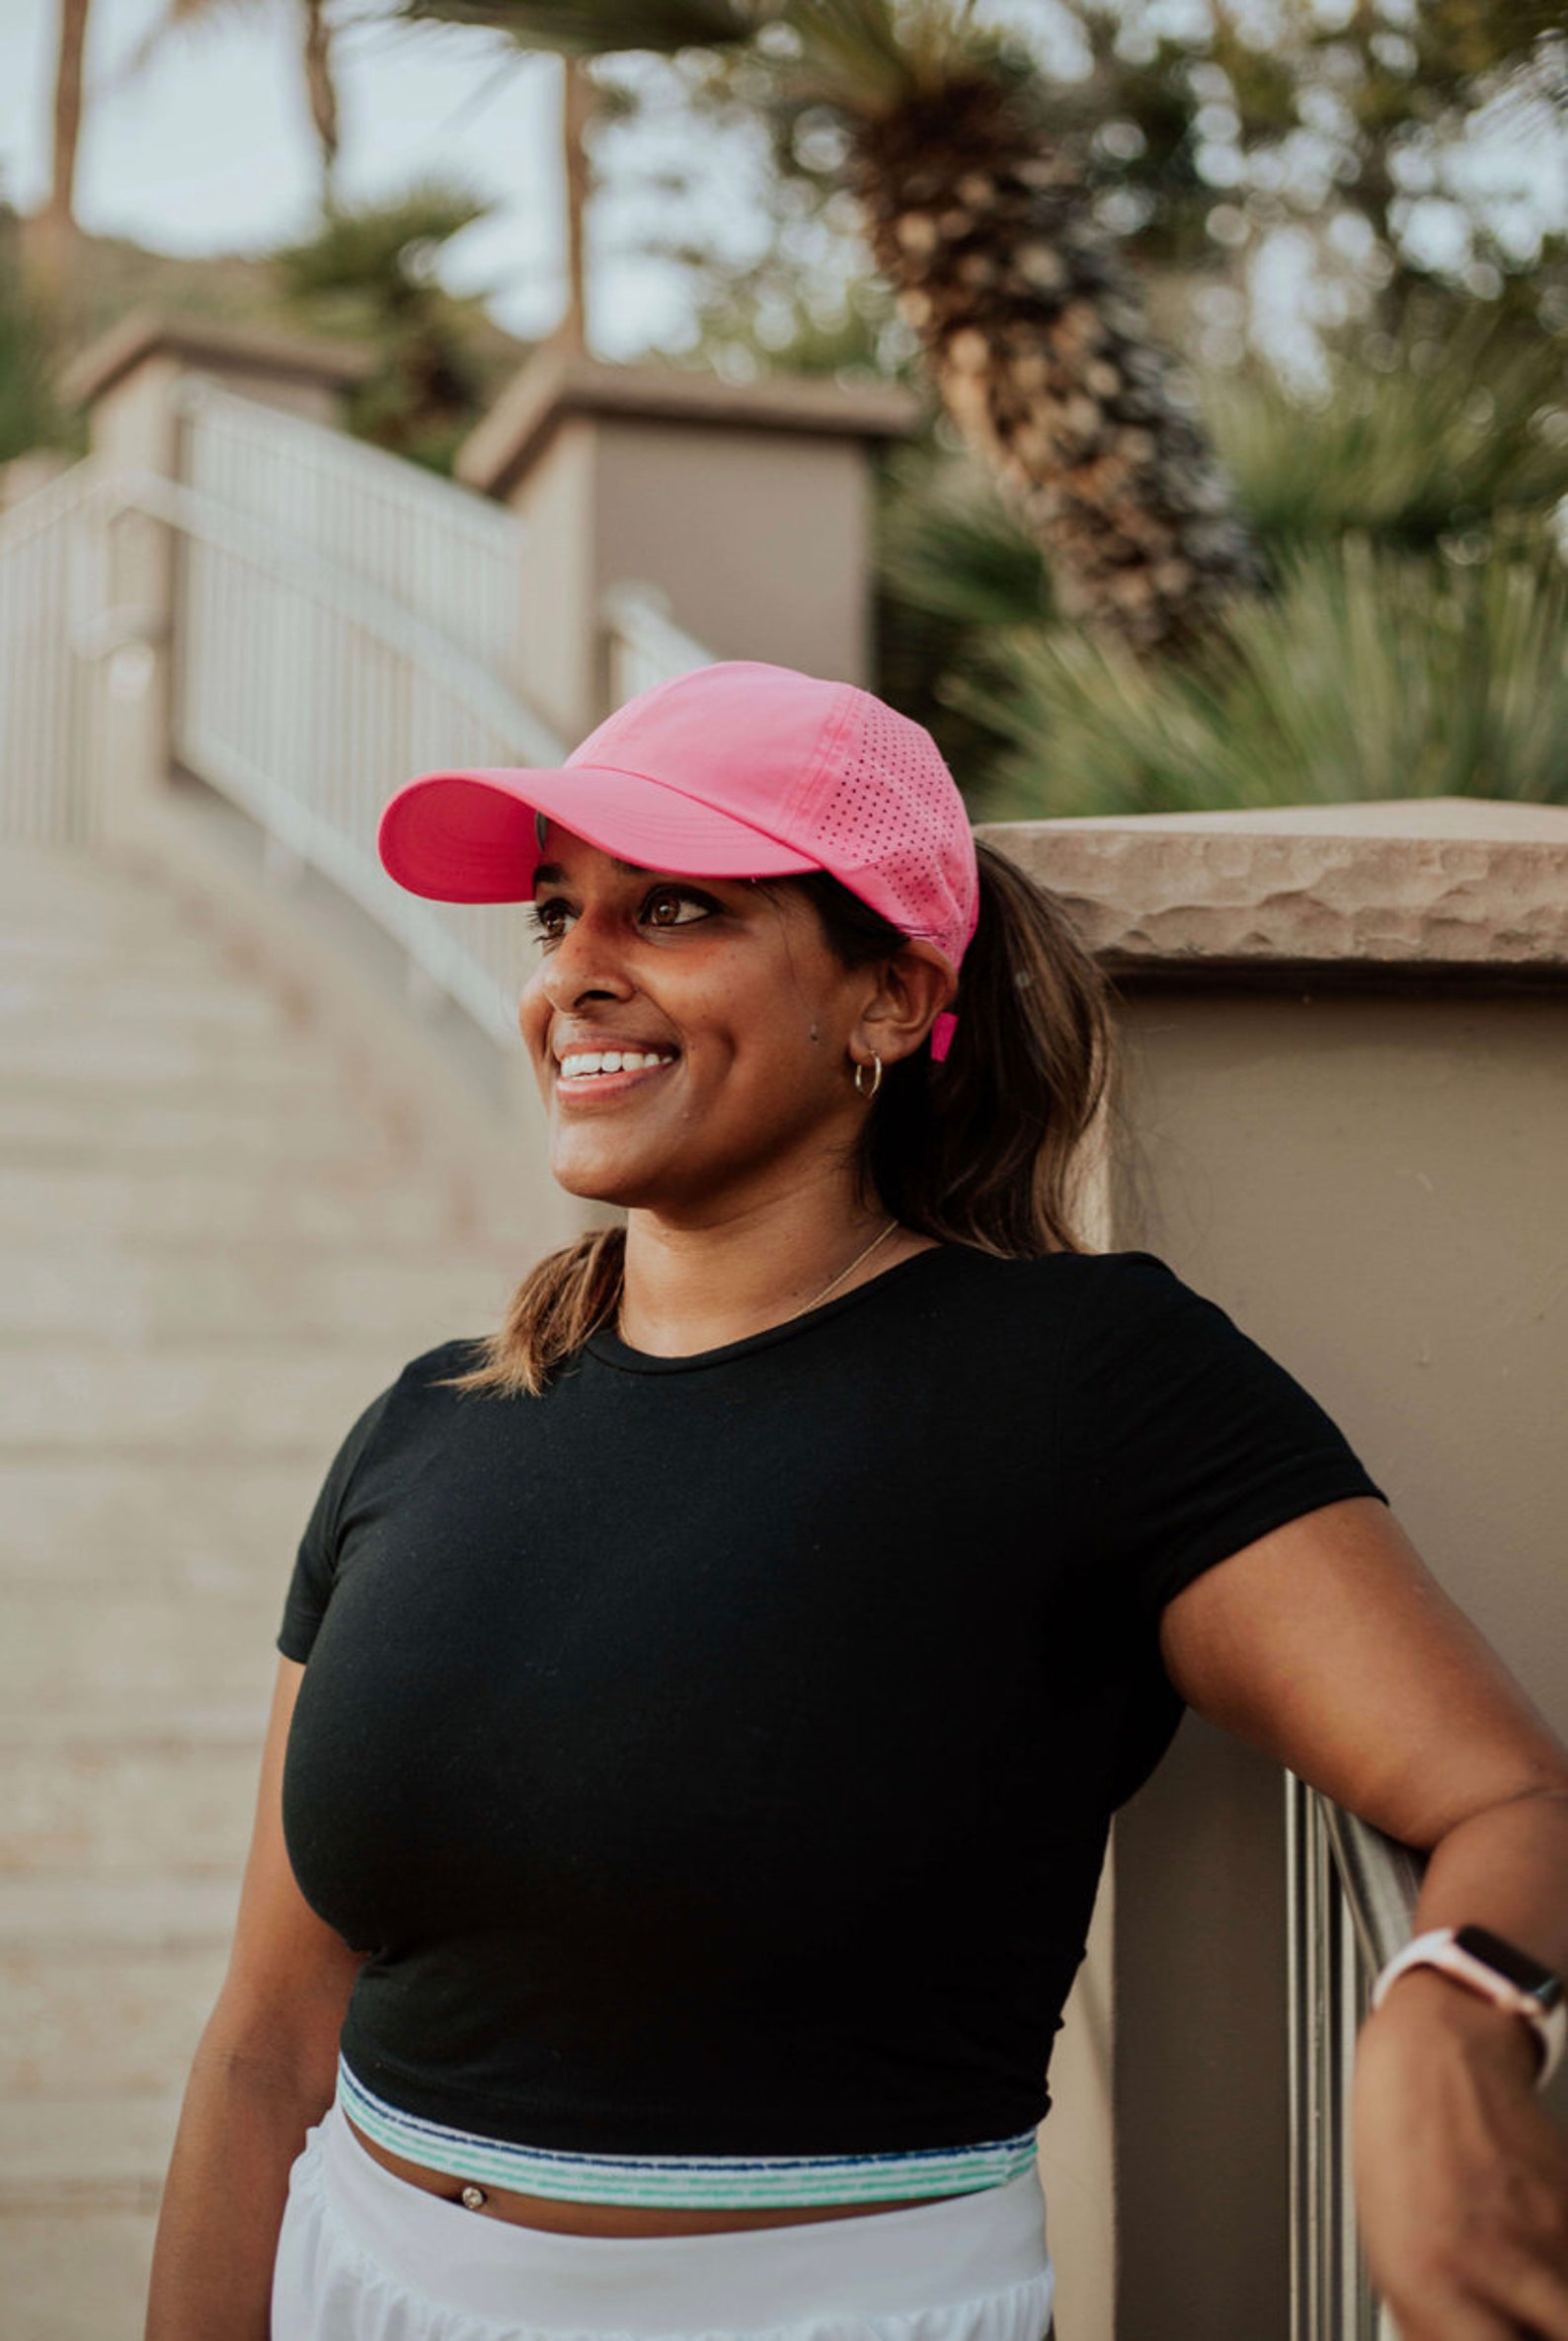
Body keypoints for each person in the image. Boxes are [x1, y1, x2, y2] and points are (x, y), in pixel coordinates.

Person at [144, 661, 1568, 2341]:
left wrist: (1448, 2031)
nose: (574, 980)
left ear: (890, 998)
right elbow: (263, 2044)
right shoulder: (428, 1423)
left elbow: (1504, 1798)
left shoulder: (1089, 1381)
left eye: (670, 909)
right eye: (554, 917)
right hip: (350, 2277)